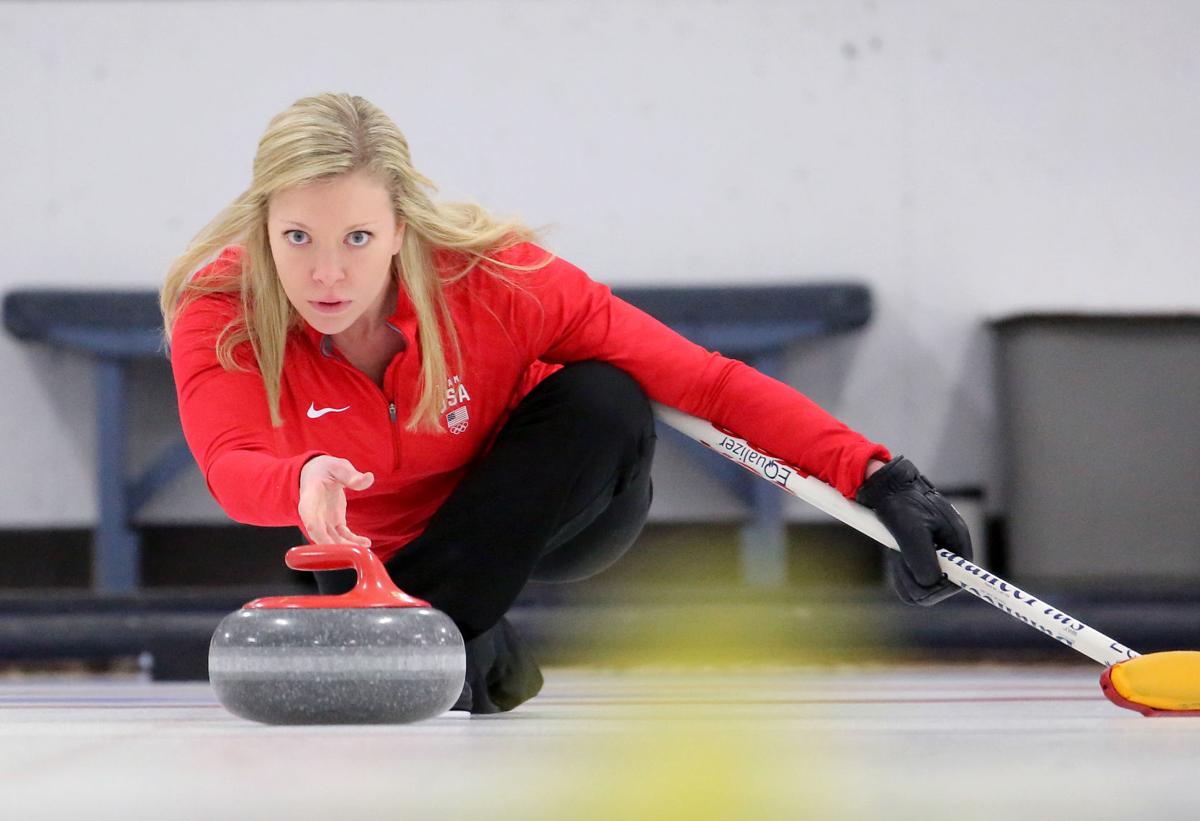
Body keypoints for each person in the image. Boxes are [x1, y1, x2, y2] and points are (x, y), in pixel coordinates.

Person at [160, 93, 972, 714]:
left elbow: (706, 383)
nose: (327, 275)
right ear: (263, 226)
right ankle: (467, 642)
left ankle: (422, 635)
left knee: (605, 396)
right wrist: (297, 478)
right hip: (374, 554)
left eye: (358, 239)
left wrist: (875, 476)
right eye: (297, 238)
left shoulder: (499, 283)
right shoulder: (223, 306)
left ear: (403, 228)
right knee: (441, 656)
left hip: (558, 511)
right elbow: (230, 463)